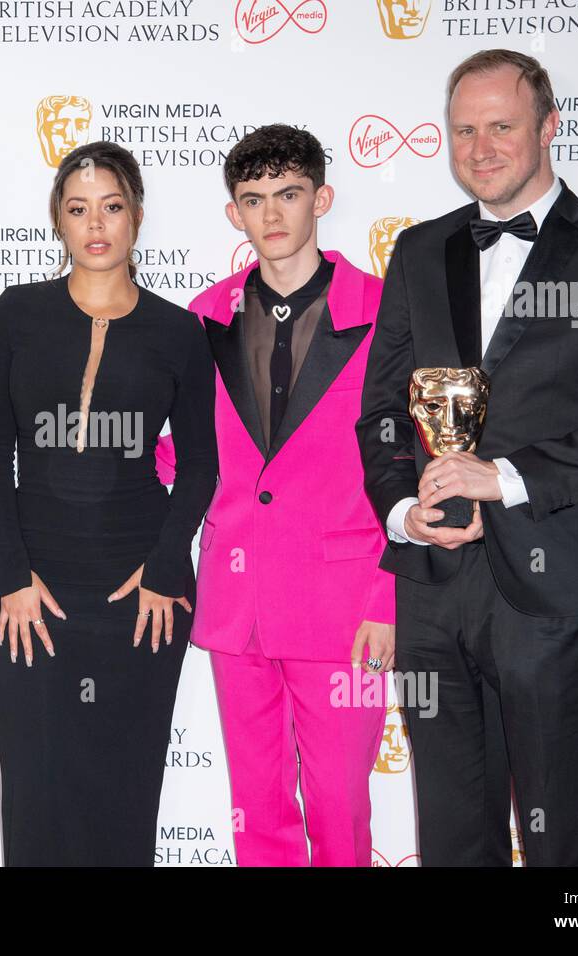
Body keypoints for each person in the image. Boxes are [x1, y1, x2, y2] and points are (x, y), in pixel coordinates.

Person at [356, 49, 578, 866]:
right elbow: (382, 415)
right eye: (464, 129)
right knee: (451, 829)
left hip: (554, 588)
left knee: (557, 826)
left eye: (502, 126)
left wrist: (503, 477)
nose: (481, 147)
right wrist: (405, 512)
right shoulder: (421, 251)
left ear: (548, 127)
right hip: (432, 588)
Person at [0, 140, 217, 866]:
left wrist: (167, 568)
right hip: (35, 590)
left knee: (124, 782)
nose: (96, 223)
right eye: (78, 209)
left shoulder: (177, 330)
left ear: (137, 216)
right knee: (36, 781)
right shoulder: (14, 316)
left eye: (112, 206)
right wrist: (10, 574)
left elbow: (202, 465)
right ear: (58, 220)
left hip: (142, 590)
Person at [155, 125, 394, 866]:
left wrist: (387, 602)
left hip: (345, 607)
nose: (272, 214)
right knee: (256, 809)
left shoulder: (388, 313)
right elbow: (189, 454)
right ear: (235, 213)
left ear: (321, 198)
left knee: (340, 808)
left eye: (288, 194)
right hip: (239, 605)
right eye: (253, 199)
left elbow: (416, 469)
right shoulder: (205, 315)